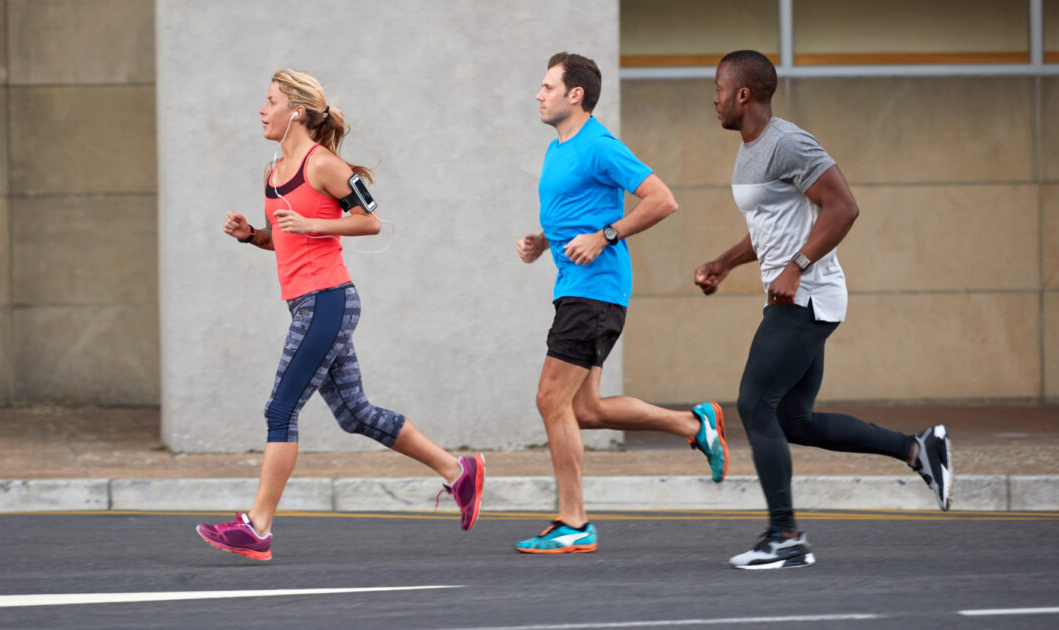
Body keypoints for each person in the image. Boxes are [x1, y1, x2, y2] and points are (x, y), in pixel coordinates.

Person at [196, 69, 484, 561]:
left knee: (280, 410)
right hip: (307, 304)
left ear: (297, 113)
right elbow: (282, 239)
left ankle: (257, 527)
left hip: (327, 302)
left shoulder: (322, 164)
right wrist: (250, 235)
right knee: (354, 413)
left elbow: (371, 221)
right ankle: (459, 472)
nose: (262, 110)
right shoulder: (272, 172)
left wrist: (312, 221)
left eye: (270, 102)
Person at [695, 50, 953, 570]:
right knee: (794, 420)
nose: (714, 97)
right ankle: (917, 449)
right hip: (800, 297)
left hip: (805, 298)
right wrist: (725, 261)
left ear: (743, 94)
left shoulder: (788, 142)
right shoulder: (751, 150)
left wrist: (797, 264)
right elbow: (770, 223)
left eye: (719, 87)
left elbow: (844, 206)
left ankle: (785, 537)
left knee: (753, 406)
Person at [513, 52, 729, 555]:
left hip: (596, 290)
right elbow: (572, 210)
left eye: (547, 86)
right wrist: (543, 241)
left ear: (576, 95)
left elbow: (662, 199)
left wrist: (605, 235)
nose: (538, 94)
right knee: (583, 409)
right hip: (576, 288)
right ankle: (693, 425)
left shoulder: (600, 145)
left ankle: (575, 522)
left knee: (550, 400)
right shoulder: (557, 149)